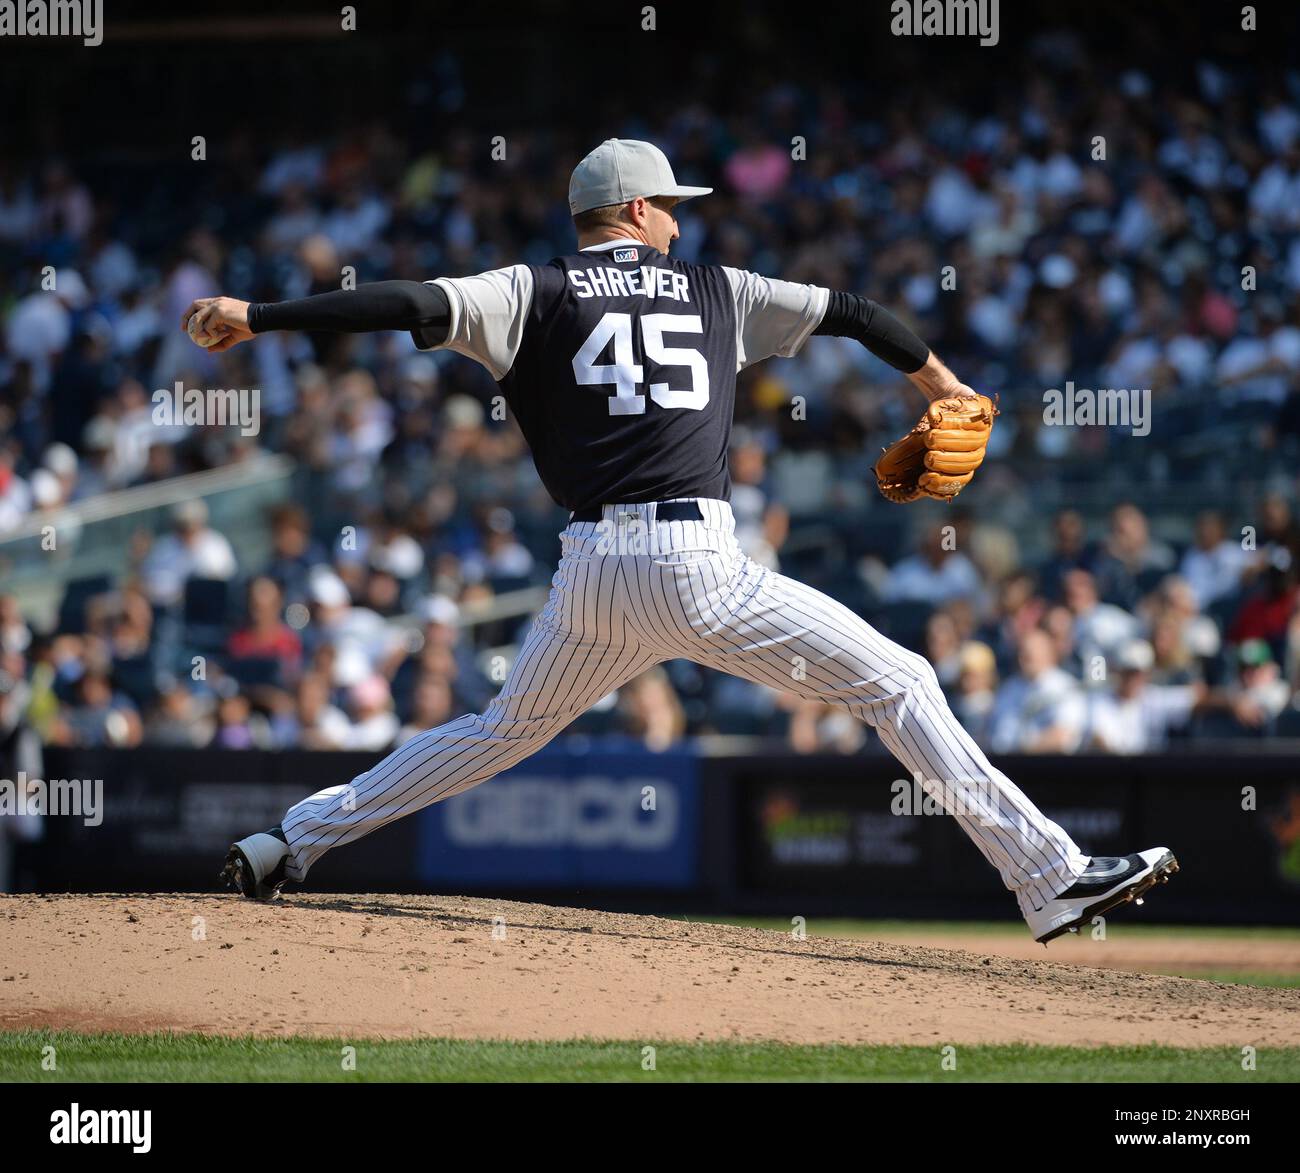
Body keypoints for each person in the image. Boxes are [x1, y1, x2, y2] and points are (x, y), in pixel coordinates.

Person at [190, 138, 1176, 943]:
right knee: (900, 682)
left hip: (590, 577)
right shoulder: (719, 290)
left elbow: (402, 301)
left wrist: (259, 316)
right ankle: (1048, 880)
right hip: (695, 565)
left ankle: (295, 839)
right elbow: (861, 315)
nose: (676, 216)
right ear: (630, 212)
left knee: (499, 733)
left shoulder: (527, 291)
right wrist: (945, 389)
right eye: (666, 203)